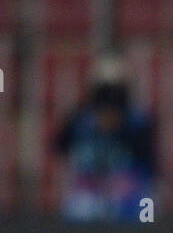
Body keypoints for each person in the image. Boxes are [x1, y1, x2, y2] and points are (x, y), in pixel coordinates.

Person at [54, 65, 156, 222]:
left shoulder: (137, 129)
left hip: (125, 193)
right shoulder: (79, 125)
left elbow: (149, 168)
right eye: (103, 113)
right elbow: (58, 147)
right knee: (80, 208)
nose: (108, 119)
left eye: (113, 113)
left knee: (143, 209)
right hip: (88, 191)